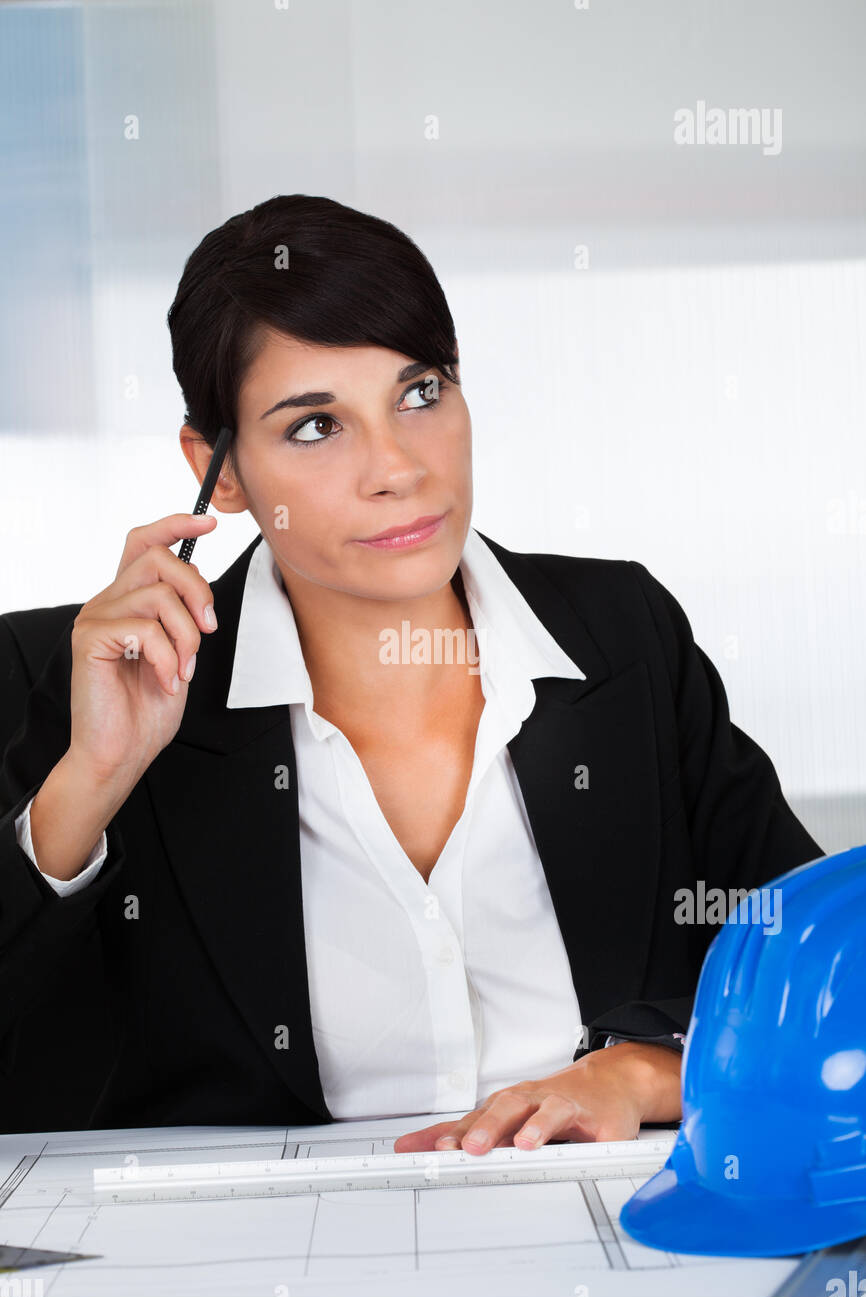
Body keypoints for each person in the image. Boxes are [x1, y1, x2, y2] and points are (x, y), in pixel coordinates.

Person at [0, 194, 823, 1148]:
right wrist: (92, 781)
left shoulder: (622, 637)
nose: (396, 468)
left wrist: (652, 1069)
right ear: (218, 471)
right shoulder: (80, 677)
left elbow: (818, 968)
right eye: (316, 426)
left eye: (420, 392)